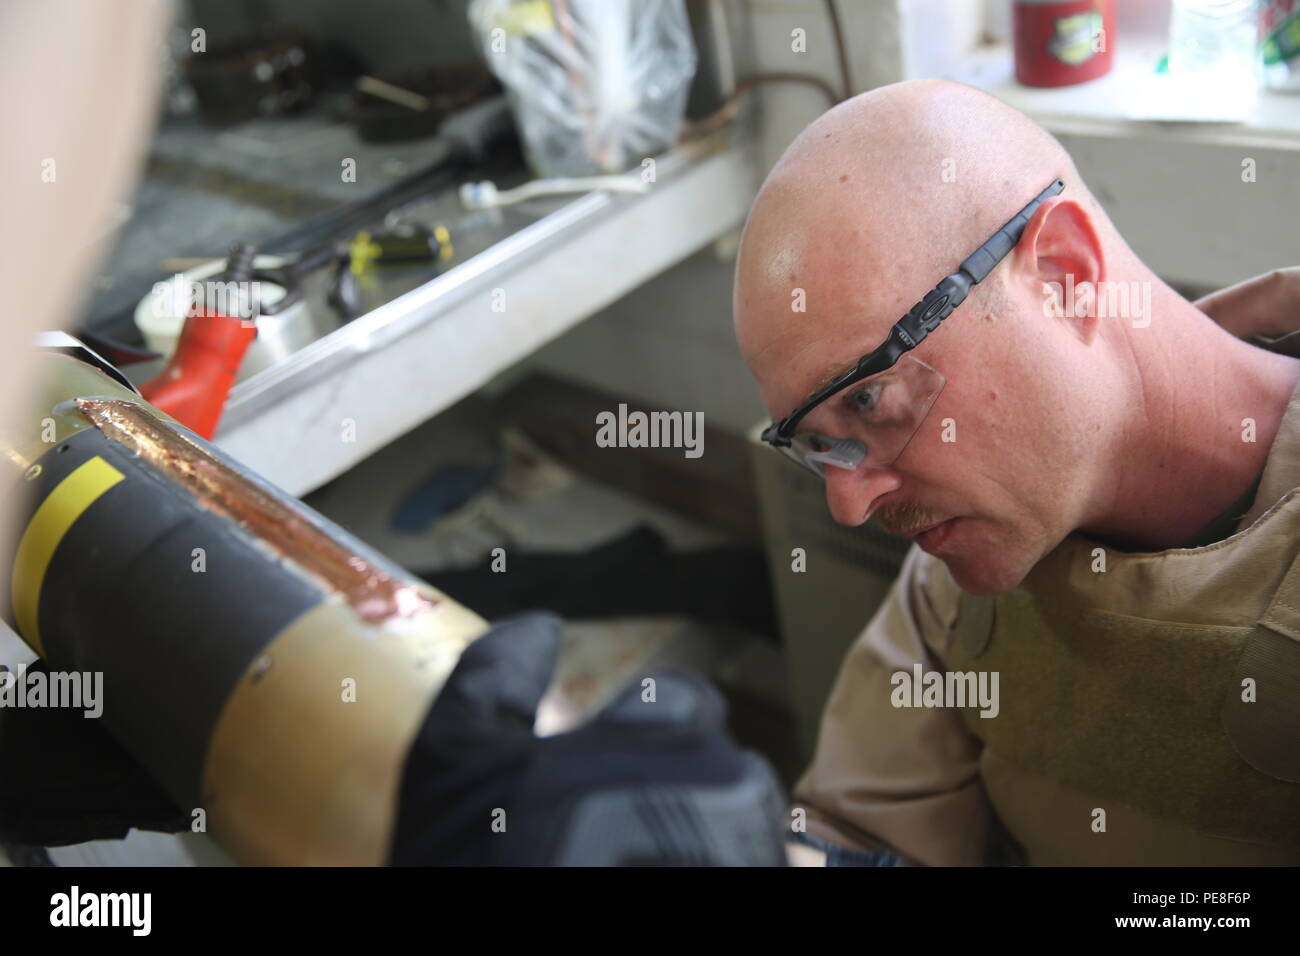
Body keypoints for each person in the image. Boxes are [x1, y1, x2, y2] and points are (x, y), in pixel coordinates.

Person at [734, 79, 1300, 866]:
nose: (849, 505)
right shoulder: (961, 578)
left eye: (868, 399)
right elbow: (860, 830)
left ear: (1065, 274)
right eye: (818, 444)